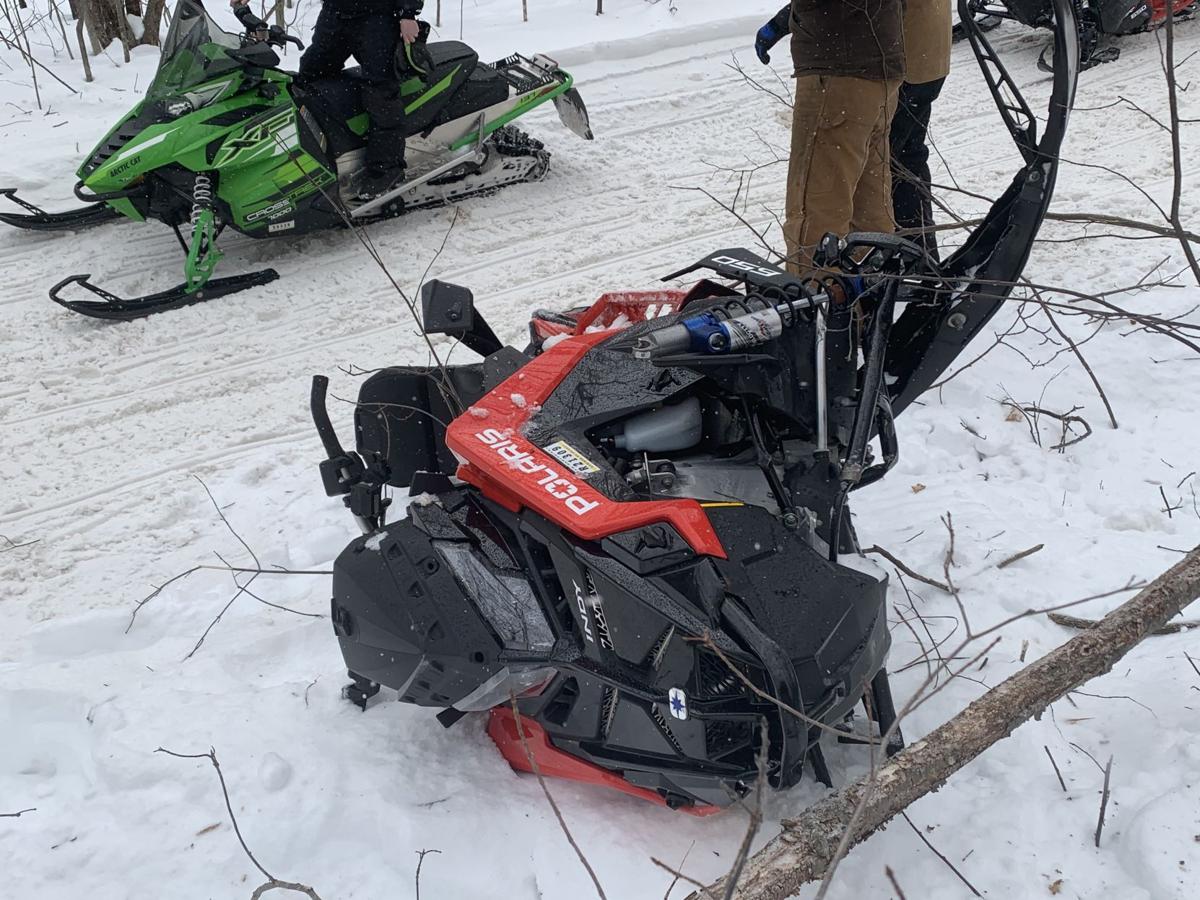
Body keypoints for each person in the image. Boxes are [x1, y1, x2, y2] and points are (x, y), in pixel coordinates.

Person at [754, 1, 906, 275]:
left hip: (839, 72)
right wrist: (784, 20)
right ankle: (873, 296)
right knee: (868, 201)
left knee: (818, 205)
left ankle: (814, 303)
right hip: (878, 66)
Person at [283, 0, 424, 199]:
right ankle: (320, 152)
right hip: (335, 13)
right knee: (308, 79)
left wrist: (409, 12)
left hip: (378, 17)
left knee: (380, 93)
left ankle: (386, 169)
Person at [891, 0, 952, 259]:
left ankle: (903, 258)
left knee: (883, 165)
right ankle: (921, 256)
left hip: (906, 58)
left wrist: (783, 22)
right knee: (908, 158)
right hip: (929, 55)